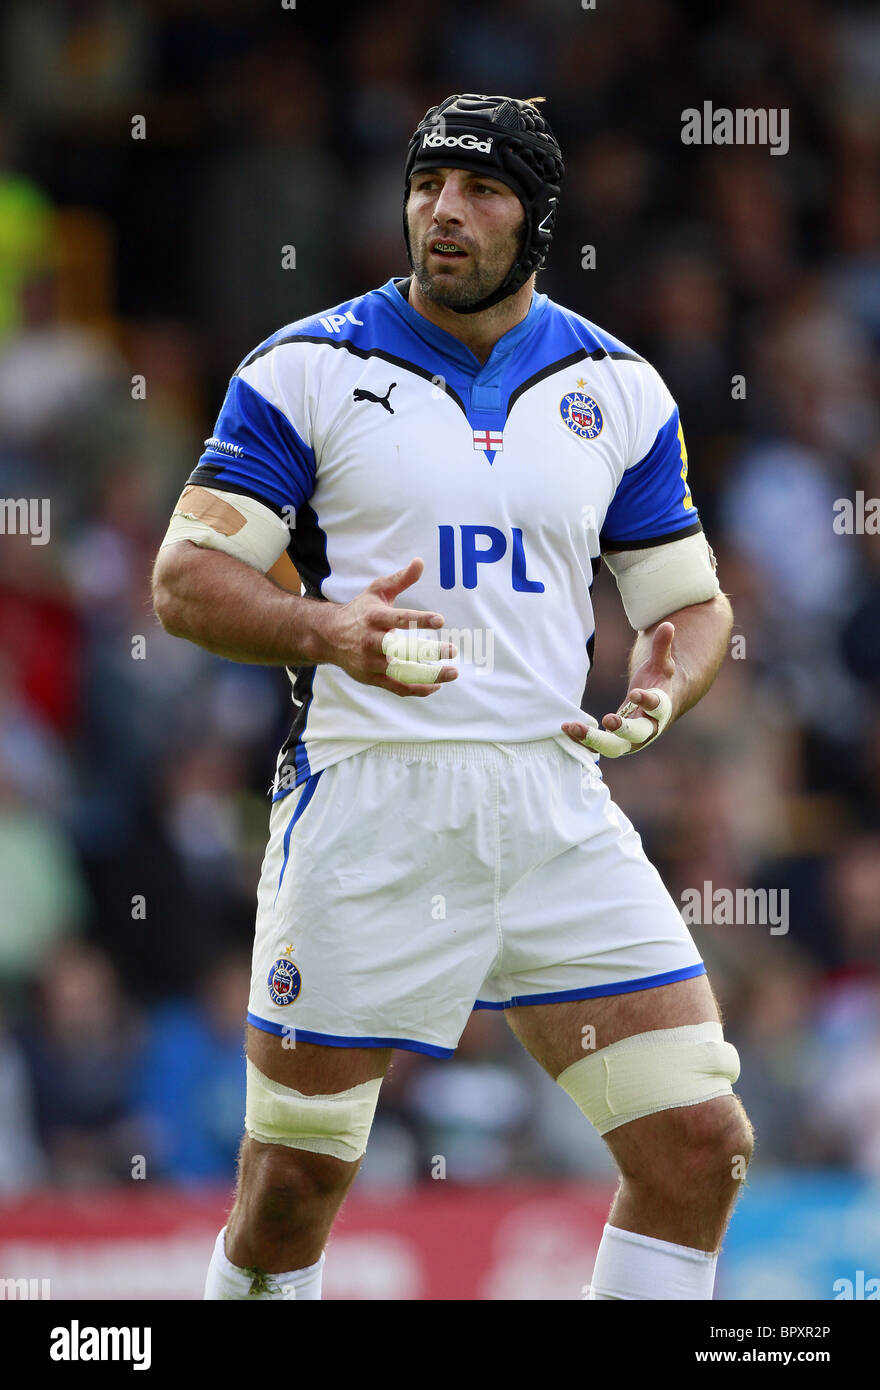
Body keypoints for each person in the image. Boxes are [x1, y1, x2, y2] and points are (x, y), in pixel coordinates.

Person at [152, 93, 752, 1301]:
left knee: (698, 1146)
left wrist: (662, 683)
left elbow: (690, 603)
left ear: (534, 221)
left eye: (479, 192)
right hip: (369, 796)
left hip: (552, 797)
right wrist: (332, 630)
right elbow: (184, 581)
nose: (443, 212)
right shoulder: (306, 368)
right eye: (428, 184)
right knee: (291, 1189)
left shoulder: (618, 389)